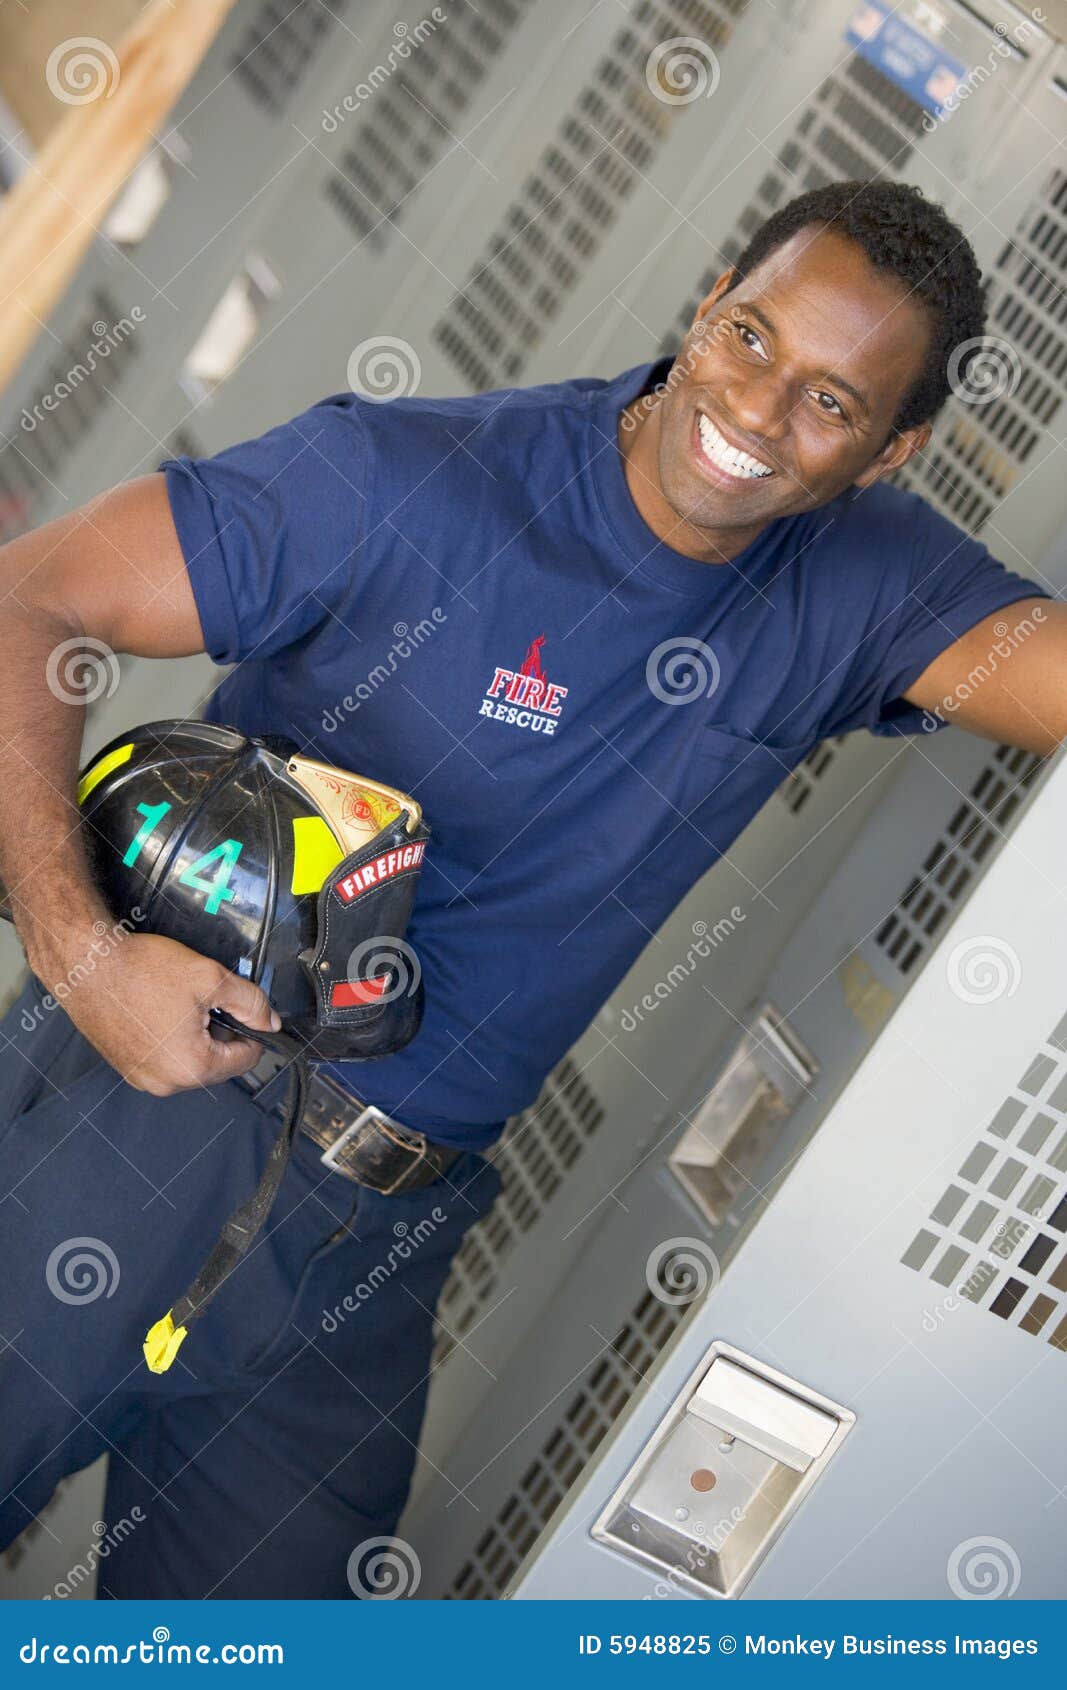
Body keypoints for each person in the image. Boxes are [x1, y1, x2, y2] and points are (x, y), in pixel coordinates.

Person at [0, 180, 1063, 1598]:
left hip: (380, 1234)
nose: (756, 410)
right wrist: (79, 958)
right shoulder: (414, 483)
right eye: (750, 337)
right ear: (708, 304)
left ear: (889, 452)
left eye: (830, 401)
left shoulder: (868, 587)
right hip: (155, 1114)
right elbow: (28, 601)